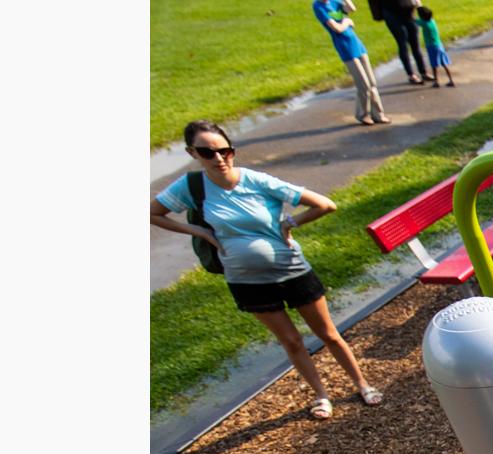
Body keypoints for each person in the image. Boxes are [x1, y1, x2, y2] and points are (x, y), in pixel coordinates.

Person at [151, 121, 384, 420]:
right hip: (246, 280)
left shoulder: (256, 181)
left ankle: (362, 384)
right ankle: (321, 396)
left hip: (292, 270)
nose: (219, 158)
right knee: (291, 341)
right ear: (192, 153)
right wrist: (199, 231)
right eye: (208, 153)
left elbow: (325, 204)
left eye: (225, 151)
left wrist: (291, 223)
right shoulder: (191, 187)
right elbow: (152, 213)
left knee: (328, 334)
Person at [312, 0, 390, 125]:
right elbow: (337, 28)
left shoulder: (334, 2)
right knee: (363, 84)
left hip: (357, 43)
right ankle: (363, 114)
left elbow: (351, 9)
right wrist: (347, 22)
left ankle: (378, 114)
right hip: (345, 47)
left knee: (372, 82)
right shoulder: (318, 6)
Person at [373, 0, 430, 85]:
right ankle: (411, 75)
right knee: (402, 43)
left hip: (408, 11)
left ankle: (423, 72)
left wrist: (419, 5)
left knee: (415, 43)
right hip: (392, 14)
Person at [417, 6, 455, 87]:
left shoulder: (424, 23)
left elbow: (414, 21)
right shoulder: (432, 21)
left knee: (434, 65)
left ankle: (436, 81)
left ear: (422, 17)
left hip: (432, 46)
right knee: (444, 63)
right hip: (439, 45)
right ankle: (451, 80)